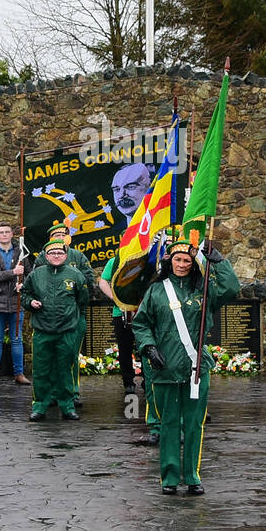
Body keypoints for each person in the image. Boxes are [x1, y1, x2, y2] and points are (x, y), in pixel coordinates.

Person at [131, 229, 240, 495]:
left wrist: (218, 261)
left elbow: (232, 289)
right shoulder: (157, 290)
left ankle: (192, 476)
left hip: (196, 368)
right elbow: (141, 323)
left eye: (187, 261)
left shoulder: (203, 290)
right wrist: (149, 347)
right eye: (178, 260)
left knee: (194, 425)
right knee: (168, 424)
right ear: (170, 262)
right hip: (165, 367)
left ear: (193, 265)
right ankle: (169, 478)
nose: (182, 265)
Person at [21, 236, 89, 421]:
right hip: (42, 331)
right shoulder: (36, 274)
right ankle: (39, 406)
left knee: (65, 369)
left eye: (60, 253)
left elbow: (83, 298)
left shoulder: (76, 275)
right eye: (52, 253)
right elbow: (25, 294)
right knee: (41, 370)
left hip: (66, 331)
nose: (56, 256)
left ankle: (67, 406)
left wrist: (72, 317)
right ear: (46, 255)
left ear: (65, 255)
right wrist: (30, 302)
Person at [0, 222, 32, 386]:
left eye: (6, 232)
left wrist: (22, 284)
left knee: (17, 339)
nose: (4, 235)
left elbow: (29, 275)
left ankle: (19, 373)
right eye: (0, 232)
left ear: (12, 234)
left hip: (15, 301)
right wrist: (13, 273)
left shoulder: (22, 253)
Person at [99, 254, 138, 395]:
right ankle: (128, 382)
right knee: (124, 348)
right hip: (120, 312)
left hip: (142, 311)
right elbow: (103, 281)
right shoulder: (114, 261)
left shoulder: (146, 258)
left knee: (146, 347)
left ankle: (148, 380)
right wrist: (114, 298)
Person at [110, 163, 152, 233]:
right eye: (117, 189)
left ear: (149, 187)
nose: (121, 195)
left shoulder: (167, 228)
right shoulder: (116, 233)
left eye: (131, 187)